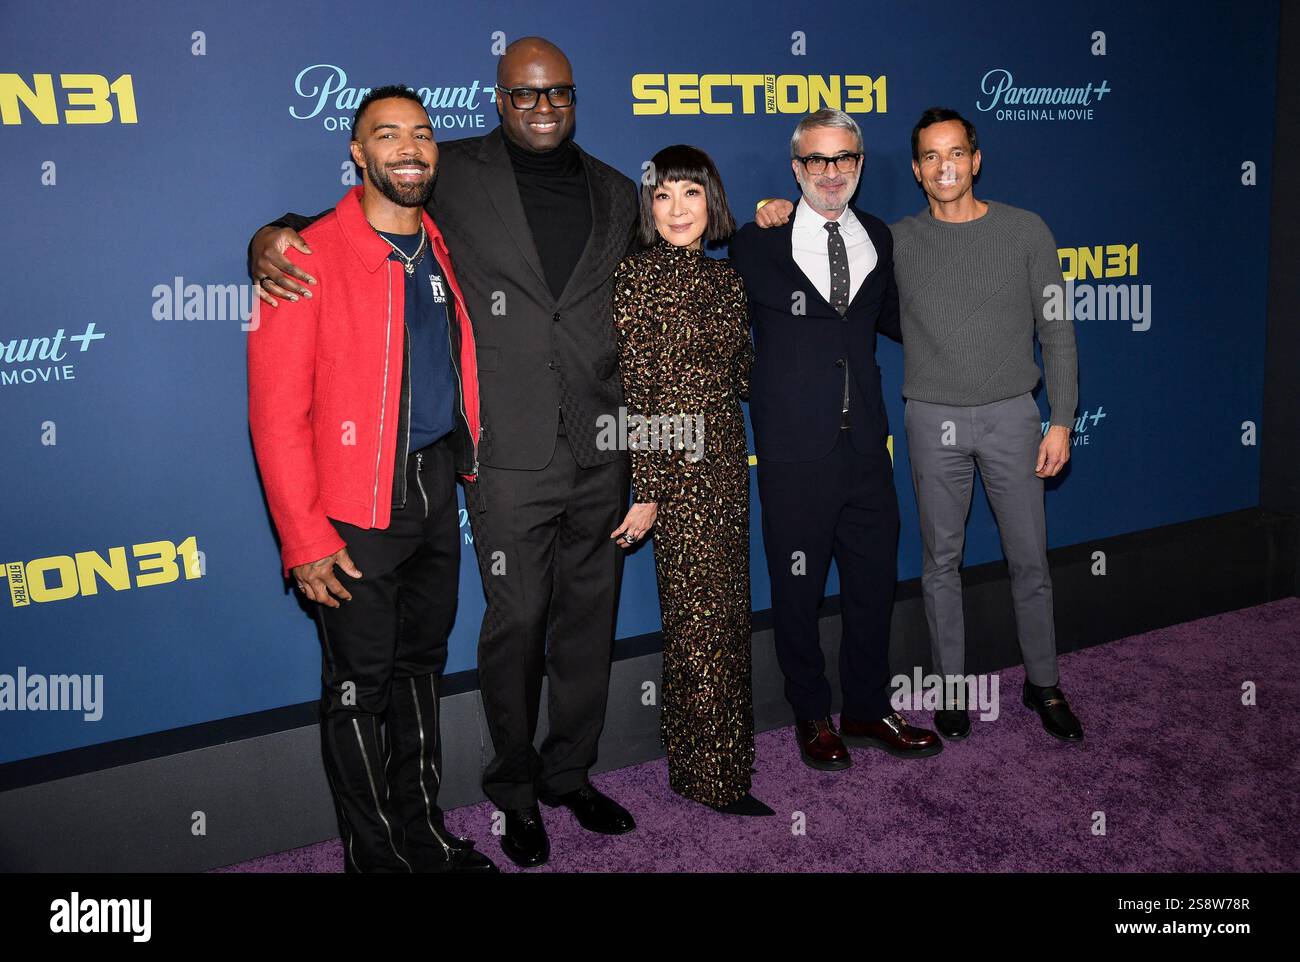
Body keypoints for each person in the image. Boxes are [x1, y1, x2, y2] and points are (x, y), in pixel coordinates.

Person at [249, 38, 639, 869]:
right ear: (498, 99)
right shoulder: (450, 170)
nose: (542, 108)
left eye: (558, 94)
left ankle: (569, 773)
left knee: (581, 628)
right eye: (524, 94)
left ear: (574, 98)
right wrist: (273, 235)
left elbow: (651, 298)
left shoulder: (615, 190)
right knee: (516, 627)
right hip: (500, 456)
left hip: (594, 450)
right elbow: (356, 212)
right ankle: (515, 790)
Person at [757, 107, 1084, 742]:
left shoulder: (1026, 231)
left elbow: (1058, 330)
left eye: (955, 153)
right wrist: (778, 208)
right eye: (931, 156)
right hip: (930, 419)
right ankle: (952, 692)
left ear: (976, 159)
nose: (945, 166)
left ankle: (1044, 683)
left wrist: (1062, 419)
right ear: (915, 169)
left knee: (1030, 561)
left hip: (1015, 415)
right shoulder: (892, 239)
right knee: (941, 562)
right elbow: (825, 233)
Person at [247, 87, 493, 873]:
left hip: (431, 493)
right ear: (358, 154)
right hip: (351, 507)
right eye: (387, 136)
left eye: (422, 134)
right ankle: (374, 855)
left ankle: (423, 831)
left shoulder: (441, 245)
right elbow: (276, 417)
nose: (409, 148)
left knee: (421, 668)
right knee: (359, 682)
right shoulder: (305, 256)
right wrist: (304, 539)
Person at [730, 109, 942, 771]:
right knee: (797, 592)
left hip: (867, 448)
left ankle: (867, 707)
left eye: (843, 159)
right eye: (816, 160)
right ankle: (812, 713)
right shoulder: (754, 242)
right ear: (796, 169)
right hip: (794, 451)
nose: (830, 171)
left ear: (859, 166)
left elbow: (903, 322)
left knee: (873, 585)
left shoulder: (879, 235)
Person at [611, 145, 770, 816]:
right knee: (699, 628)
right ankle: (715, 779)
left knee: (725, 622)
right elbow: (638, 386)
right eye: (664, 196)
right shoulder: (635, 277)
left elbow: (742, 379)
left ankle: (704, 766)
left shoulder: (727, 281)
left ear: (713, 203)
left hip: (726, 467)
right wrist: (647, 489)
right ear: (650, 208)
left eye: (691, 194)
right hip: (676, 473)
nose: (677, 209)